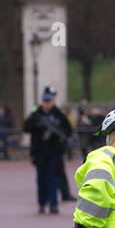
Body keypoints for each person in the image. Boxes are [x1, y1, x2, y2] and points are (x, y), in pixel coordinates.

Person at [23, 85, 72, 214]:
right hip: (40, 151)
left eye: (49, 101)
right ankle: (42, 204)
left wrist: (60, 139)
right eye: (45, 102)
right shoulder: (36, 114)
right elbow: (26, 127)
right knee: (41, 179)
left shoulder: (58, 114)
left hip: (54, 151)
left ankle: (53, 204)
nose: (47, 104)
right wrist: (38, 125)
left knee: (53, 179)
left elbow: (68, 130)